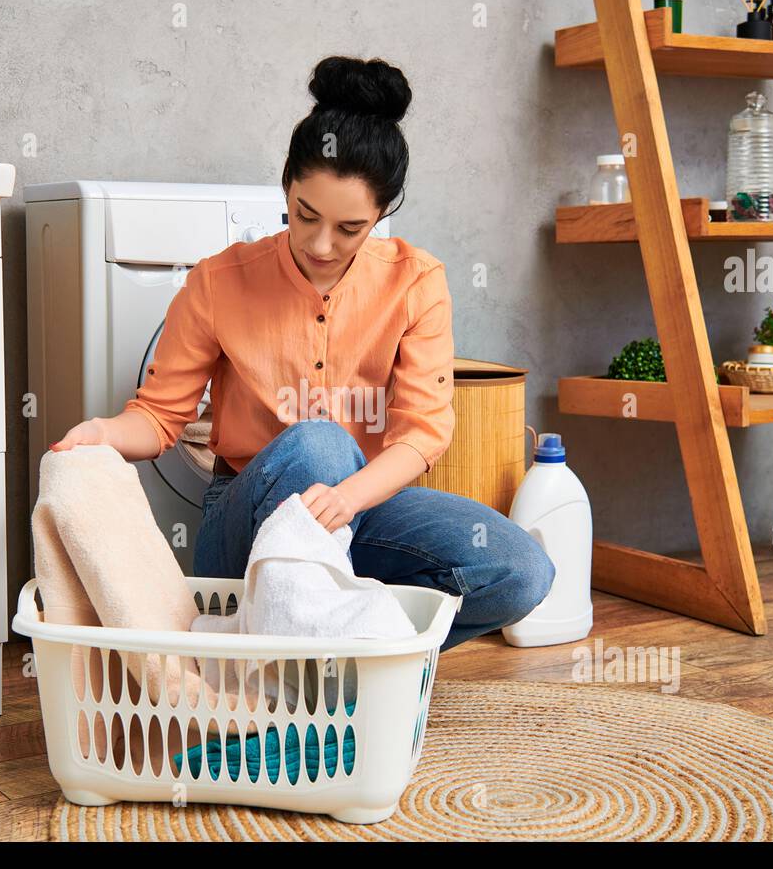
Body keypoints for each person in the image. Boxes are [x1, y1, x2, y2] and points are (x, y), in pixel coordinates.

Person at [51, 55, 552, 651]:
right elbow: (160, 419)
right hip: (245, 521)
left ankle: (345, 654)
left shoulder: (416, 282)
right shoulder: (219, 282)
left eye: (349, 229)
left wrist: (348, 498)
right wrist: (102, 433)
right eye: (305, 215)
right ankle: (307, 648)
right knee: (320, 443)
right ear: (286, 183)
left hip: (355, 507)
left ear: (383, 214)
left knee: (523, 571)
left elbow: (421, 434)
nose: (320, 243)